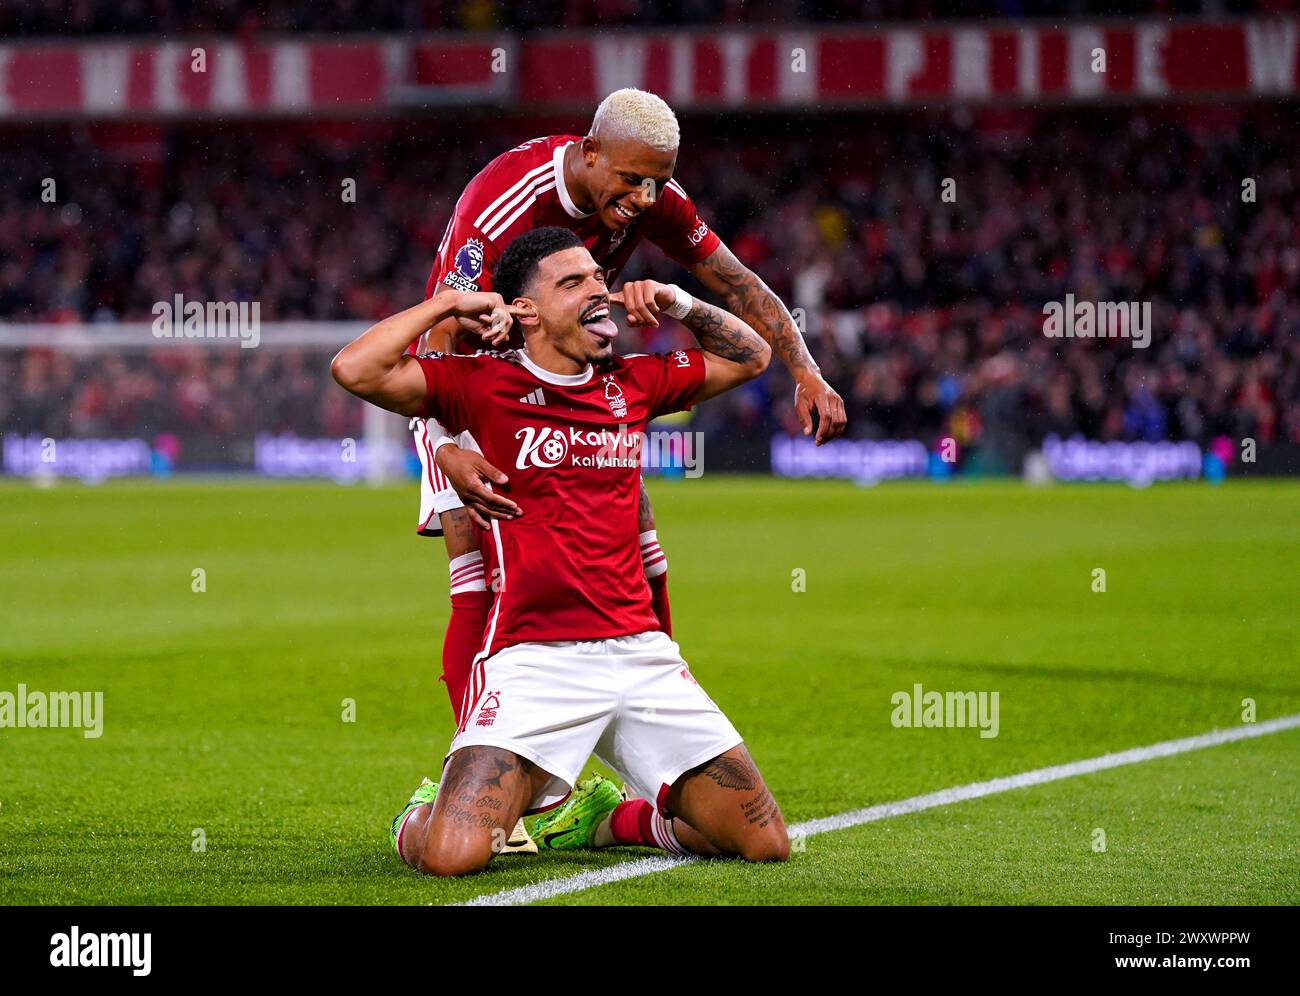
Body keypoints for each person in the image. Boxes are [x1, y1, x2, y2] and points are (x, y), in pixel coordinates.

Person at [332, 228, 789, 875]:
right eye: (572, 282)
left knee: (763, 841)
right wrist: (448, 305)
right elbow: (353, 368)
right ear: (526, 311)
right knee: (452, 858)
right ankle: (424, 812)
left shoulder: (635, 383)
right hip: (534, 660)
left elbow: (751, 355)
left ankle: (605, 820)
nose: (598, 291)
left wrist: (677, 302)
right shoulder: (483, 385)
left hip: (638, 656)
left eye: (598, 280)